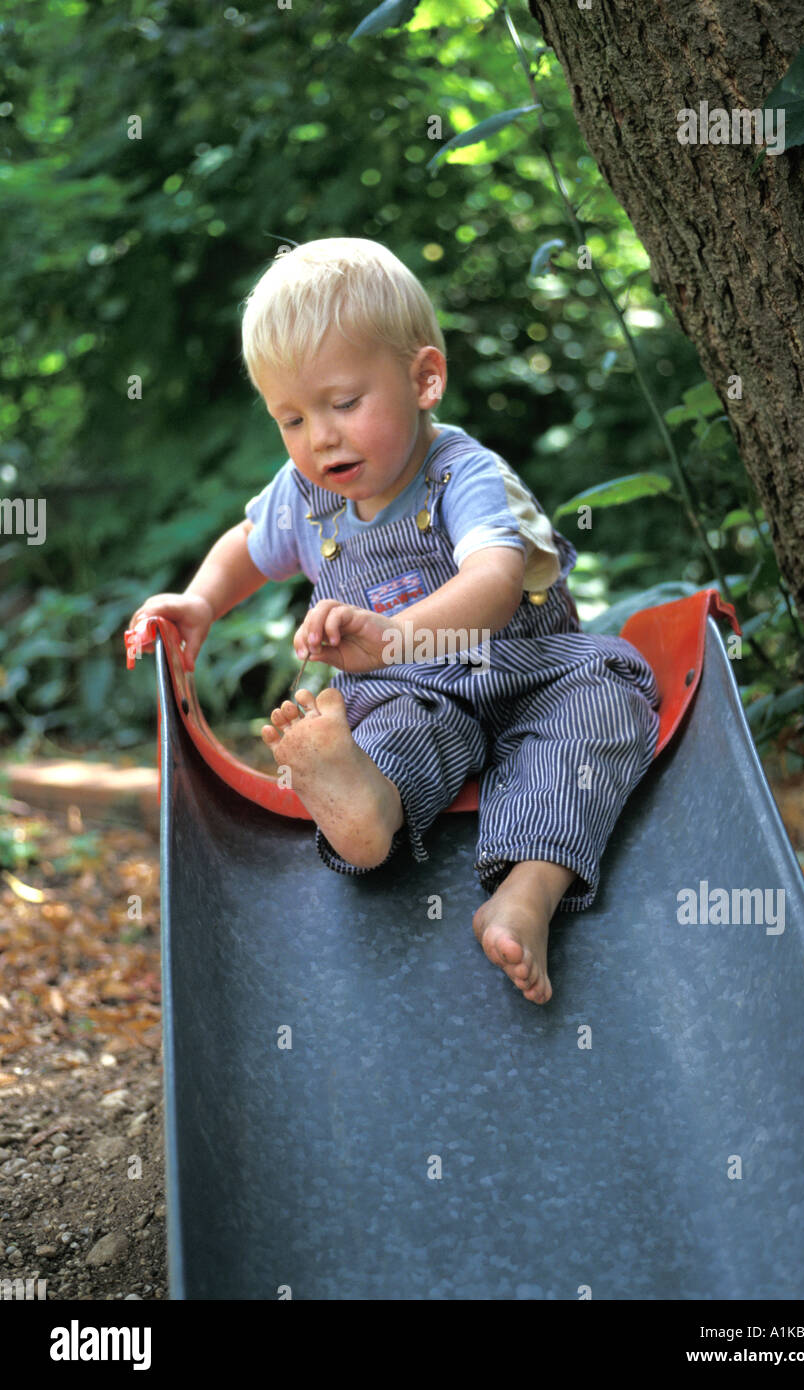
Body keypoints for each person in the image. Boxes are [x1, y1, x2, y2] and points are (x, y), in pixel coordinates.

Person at [130, 237, 659, 1004]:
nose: (320, 437)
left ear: (424, 378)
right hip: (415, 695)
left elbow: (496, 581)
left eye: (344, 403)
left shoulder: (463, 474)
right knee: (389, 726)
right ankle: (367, 802)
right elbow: (250, 543)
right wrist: (203, 600)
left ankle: (527, 892)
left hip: (527, 672)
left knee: (606, 702)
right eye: (291, 417)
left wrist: (392, 636)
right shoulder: (303, 493)